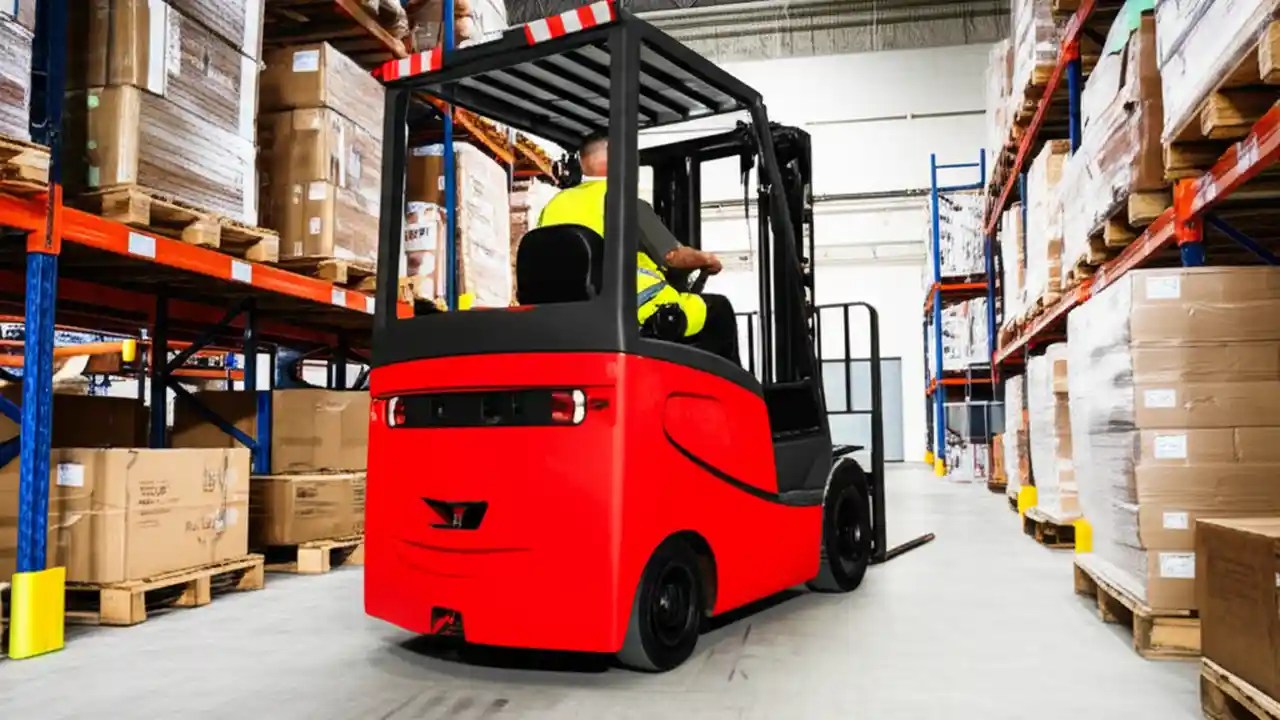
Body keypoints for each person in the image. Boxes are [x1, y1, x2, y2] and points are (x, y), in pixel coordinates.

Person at [537, 131, 741, 366]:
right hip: (638, 314)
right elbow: (673, 257)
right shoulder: (624, 202)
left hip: (568, 318)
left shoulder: (553, 205)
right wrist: (706, 259)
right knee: (719, 310)